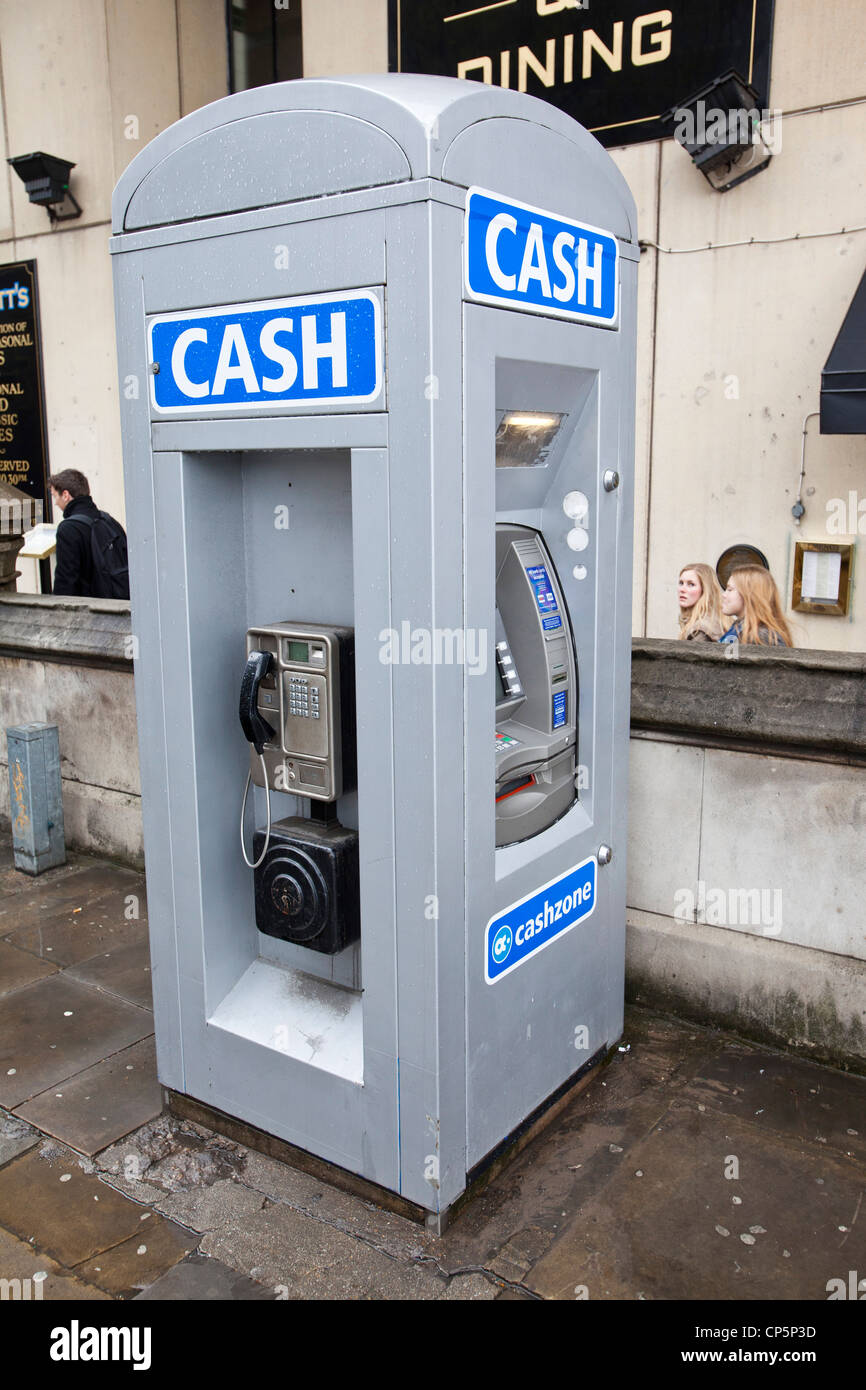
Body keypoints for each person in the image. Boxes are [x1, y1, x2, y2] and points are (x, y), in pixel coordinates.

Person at [49, 469, 129, 599]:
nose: (55, 502)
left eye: (54, 496)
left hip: (90, 609)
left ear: (65, 495)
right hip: (119, 601)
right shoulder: (108, 520)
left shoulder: (68, 529)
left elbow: (65, 582)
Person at [719, 565, 793, 646]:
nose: (724, 595)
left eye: (730, 590)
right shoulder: (739, 628)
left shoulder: (762, 636)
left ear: (750, 594)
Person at [676, 562, 724, 641]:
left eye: (691, 584)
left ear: (705, 590)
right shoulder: (708, 621)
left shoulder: (701, 630)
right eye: (681, 583)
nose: (682, 589)